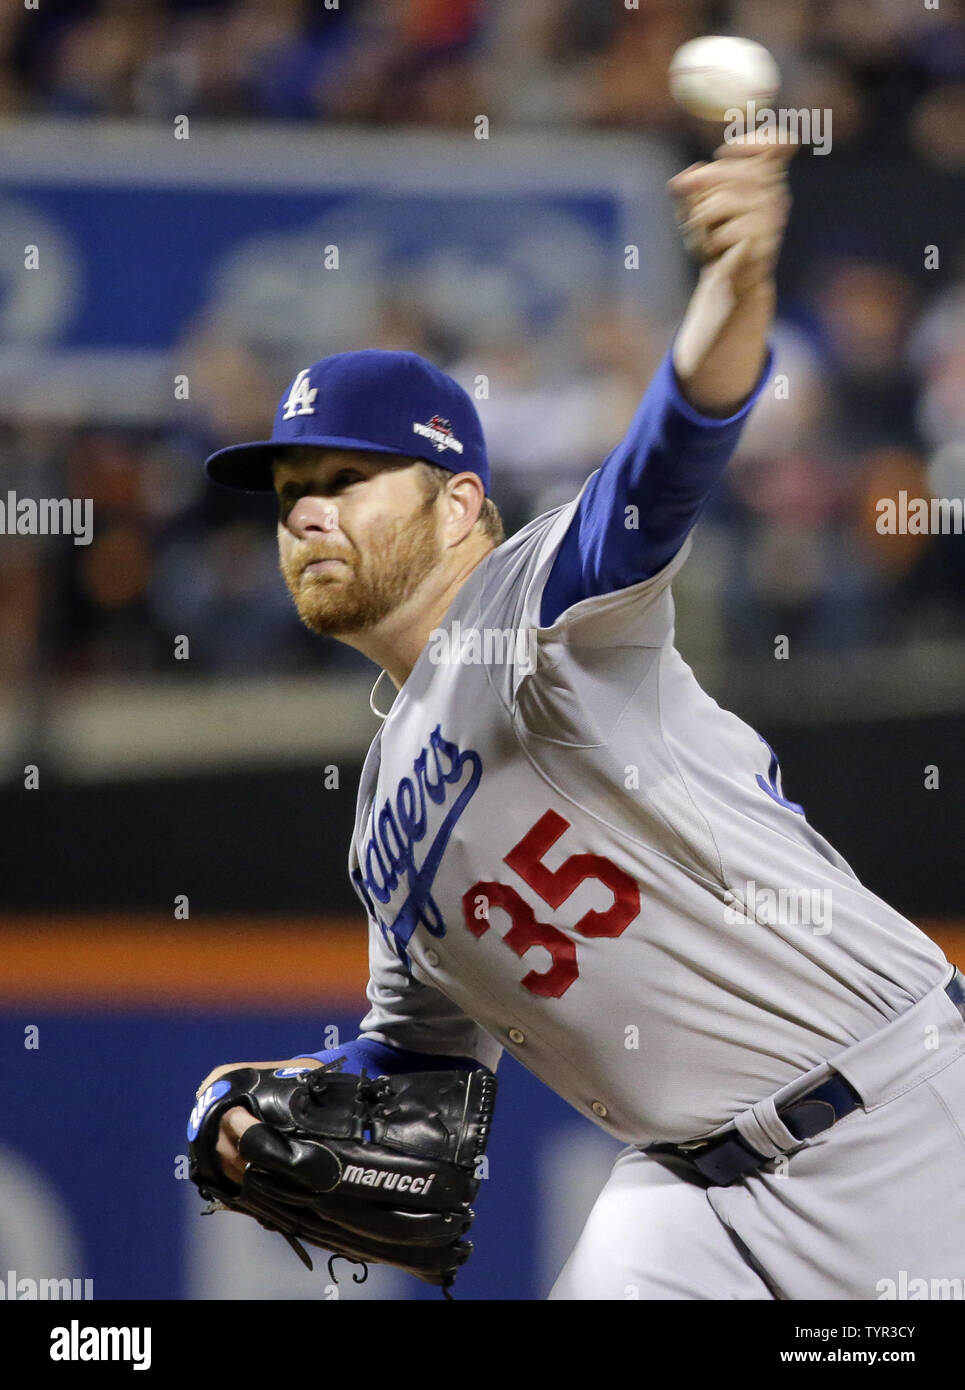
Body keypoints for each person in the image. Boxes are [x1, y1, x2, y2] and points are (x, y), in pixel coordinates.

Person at [193, 135, 965, 1299]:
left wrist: (734, 290)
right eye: (293, 495)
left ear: (461, 504)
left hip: (892, 1116)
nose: (305, 515)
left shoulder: (534, 604)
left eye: (345, 481)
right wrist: (253, 1105)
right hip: (686, 1196)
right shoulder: (377, 831)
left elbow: (669, 457)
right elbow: (414, 1065)